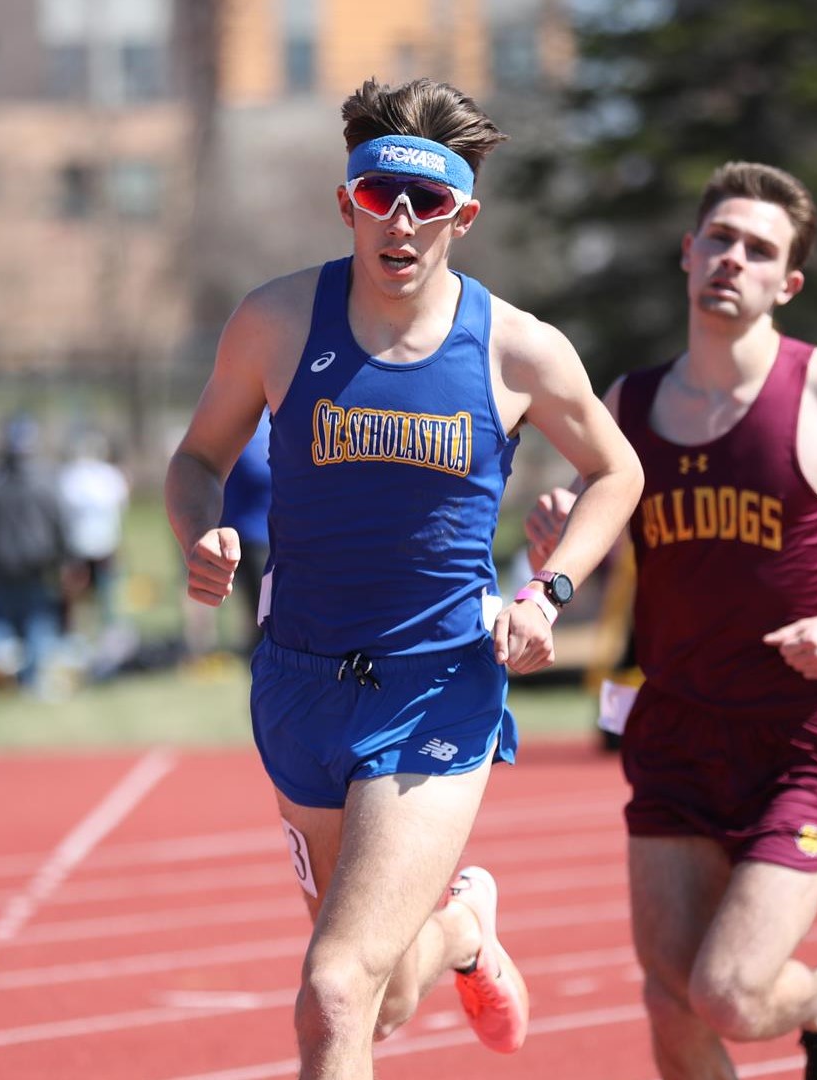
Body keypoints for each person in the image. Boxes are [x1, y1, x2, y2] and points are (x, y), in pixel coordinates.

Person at [164, 77, 642, 1077]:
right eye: (381, 195)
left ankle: (453, 921)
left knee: (332, 987)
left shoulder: (518, 349)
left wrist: (548, 593)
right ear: (348, 203)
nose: (404, 221)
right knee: (371, 1008)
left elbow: (617, 470)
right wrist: (203, 536)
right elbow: (197, 459)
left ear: (463, 216)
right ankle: (464, 927)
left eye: (429, 204)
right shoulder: (278, 322)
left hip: (438, 686)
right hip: (297, 685)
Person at [524, 162, 817, 1080]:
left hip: (797, 737)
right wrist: (553, 537)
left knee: (727, 992)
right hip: (677, 727)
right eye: (720, 240)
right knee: (668, 994)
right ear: (688, 254)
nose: (734, 259)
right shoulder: (631, 403)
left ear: (788, 283)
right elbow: (584, 533)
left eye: (759, 250)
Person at [0, 414, 67, 692]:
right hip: (31, 565)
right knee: (30, 624)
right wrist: (66, 558)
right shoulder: (47, 481)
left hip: (7, 565)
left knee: (9, 622)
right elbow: (60, 526)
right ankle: (24, 680)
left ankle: (3, 679)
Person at [58, 431, 130, 632]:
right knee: (79, 594)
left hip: (98, 544)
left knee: (105, 593)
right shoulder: (78, 476)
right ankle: (80, 632)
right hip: (85, 545)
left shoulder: (77, 476)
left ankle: (106, 632)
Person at [218, 410, 273, 651]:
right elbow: (258, 471)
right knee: (265, 620)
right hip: (251, 539)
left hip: (287, 537)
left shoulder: (283, 416)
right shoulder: (243, 424)